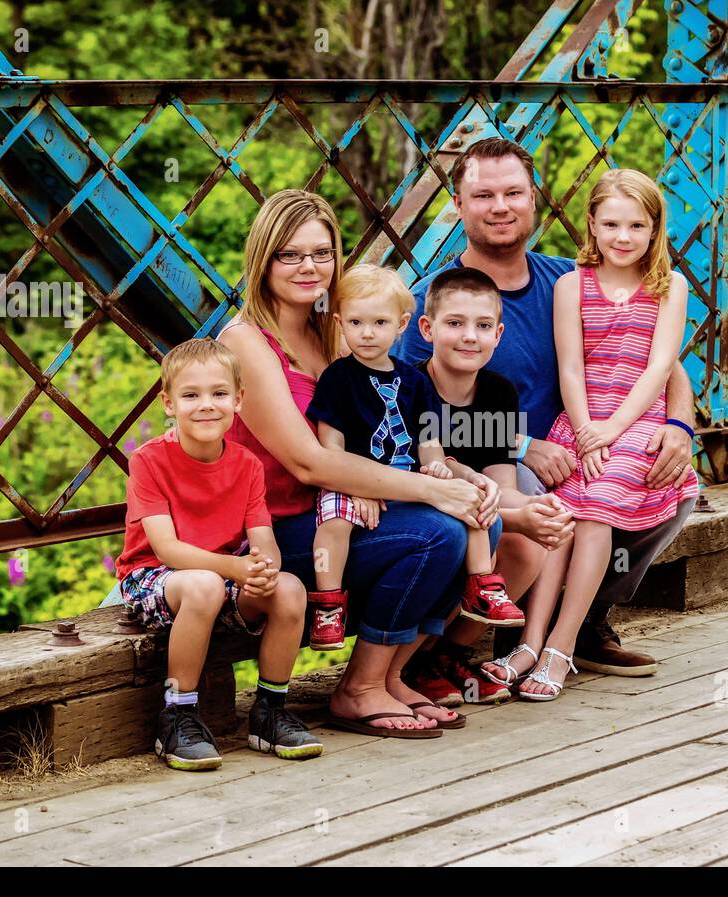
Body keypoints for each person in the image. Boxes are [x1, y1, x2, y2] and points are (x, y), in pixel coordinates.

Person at [396, 138, 700, 683]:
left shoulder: (568, 278)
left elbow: (663, 362)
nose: (500, 206)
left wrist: (678, 424)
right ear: (457, 204)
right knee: (560, 508)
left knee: (676, 484)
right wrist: (523, 445)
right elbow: (415, 416)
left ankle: (583, 620)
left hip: (587, 440)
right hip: (493, 462)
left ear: (534, 199)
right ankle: (466, 648)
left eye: (514, 192)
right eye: (483, 194)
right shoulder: (438, 303)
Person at [217, 189, 500, 738]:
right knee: (436, 532)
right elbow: (306, 462)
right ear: (263, 259)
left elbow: (379, 434)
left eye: (321, 254)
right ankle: (358, 688)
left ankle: (390, 676)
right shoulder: (247, 342)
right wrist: (428, 490)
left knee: (484, 520)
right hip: (270, 533)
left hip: (341, 512)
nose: (308, 268)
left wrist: (460, 479)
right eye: (289, 254)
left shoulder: (338, 334)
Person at [484, 168, 700, 700]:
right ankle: (529, 644)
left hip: (636, 418)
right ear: (592, 225)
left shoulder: (669, 286)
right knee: (563, 509)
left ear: (655, 230)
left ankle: (562, 644)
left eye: (636, 226)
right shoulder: (571, 284)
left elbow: (661, 368)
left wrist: (614, 429)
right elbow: (572, 368)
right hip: (582, 419)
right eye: (610, 224)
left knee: (597, 506)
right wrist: (584, 429)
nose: (622, 237)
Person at [116, 338, 322, 769]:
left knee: (290, 590)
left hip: (223, 576)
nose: (206, 405)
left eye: (219, 393)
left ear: (239, 400)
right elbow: (167, 549)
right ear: (168, 403)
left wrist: (265, 568)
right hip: (156, 577)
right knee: (205, 585)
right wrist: (235, 567)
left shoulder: (247, 464)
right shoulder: (150, 461)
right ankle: (178, 714)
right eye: (190, 395)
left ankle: (269, 711)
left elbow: (262, 535)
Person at [304, 263, 525, 654]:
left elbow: (428, 439)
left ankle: (482, 584)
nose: (368, 332)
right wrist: (354, 487)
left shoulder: (414, 381)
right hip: (350, 484)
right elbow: (329, 449)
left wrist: (439, 465)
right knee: (335, 522)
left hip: (406, 479)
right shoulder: (338, 378)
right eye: (356, 322)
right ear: (339, 322)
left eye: (379, 322)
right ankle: (328, 604)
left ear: (402, 324)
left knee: (465, 499)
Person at [400, 267, 577, 706]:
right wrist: (517, 516)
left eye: (482, 326)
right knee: (485, 536)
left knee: (531, 544)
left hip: (479, 513)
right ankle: (408, 661)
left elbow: (503, 483)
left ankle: (446, 655)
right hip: (426, 514)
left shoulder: (498, 392)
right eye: (455, 323)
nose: (469, 337)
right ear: (427, 328)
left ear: (498, 334)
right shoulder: (411, 390)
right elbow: (427, 489)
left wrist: (539, 507)